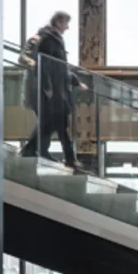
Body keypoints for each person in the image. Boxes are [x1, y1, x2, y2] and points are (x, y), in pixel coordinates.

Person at [20, 11, 87, 172]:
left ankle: (36, 150)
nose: (67, 27)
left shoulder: (53, 39)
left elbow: (58, 67)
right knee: (58, 123)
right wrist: (47, 86)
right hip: (50, 92)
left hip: (56, 91)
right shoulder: (46, 38)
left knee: (52, 124)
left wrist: (76, 81)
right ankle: (68, 158)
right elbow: (41, 64)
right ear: (58, 22)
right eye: (66, 23)